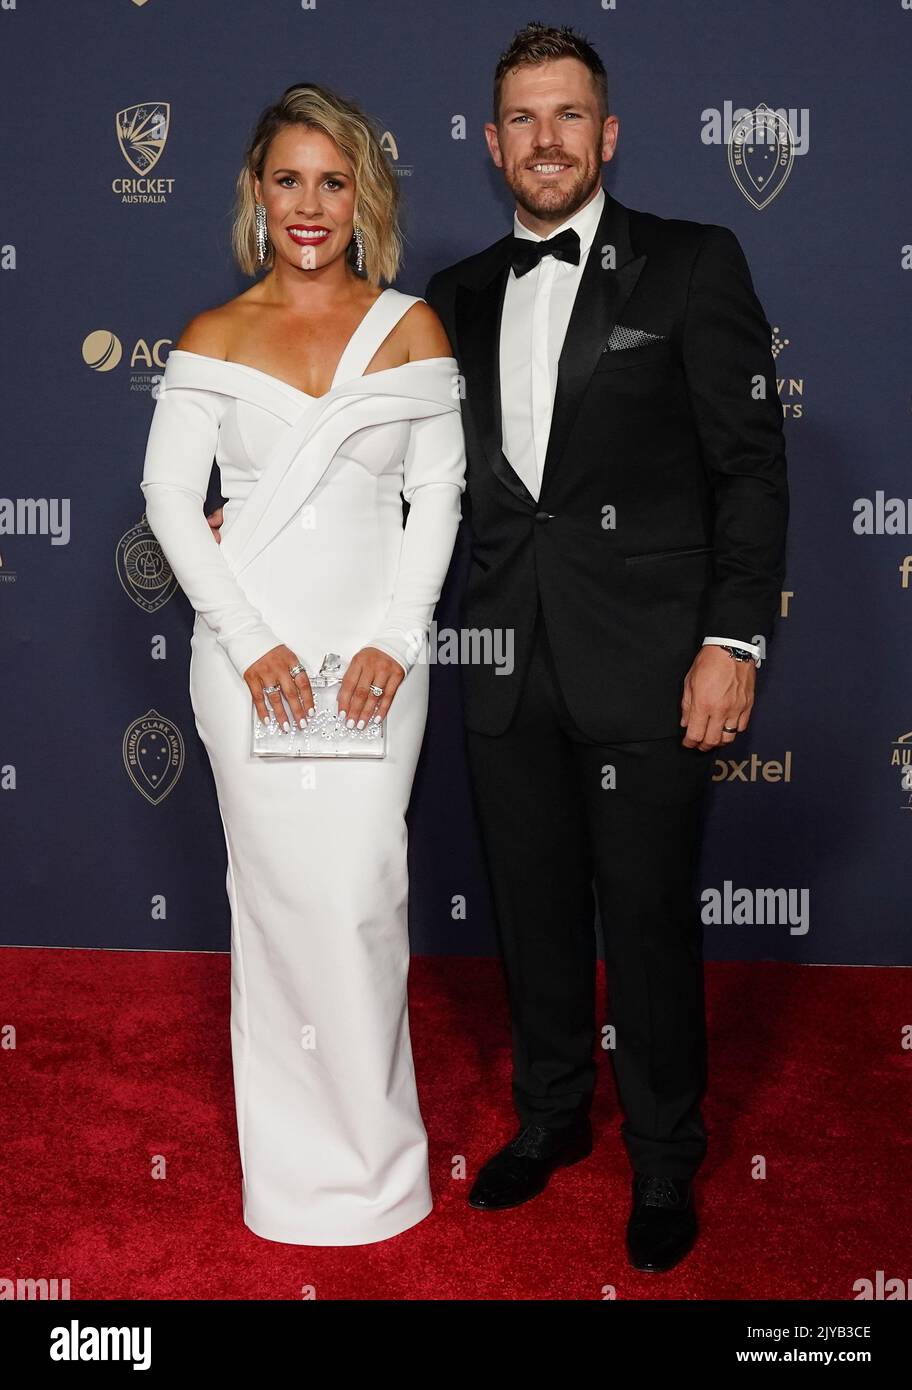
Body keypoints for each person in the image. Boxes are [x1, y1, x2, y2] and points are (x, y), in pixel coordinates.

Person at [423, 24, 788, 1273]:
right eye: (523, 119)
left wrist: (731, 639)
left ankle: (668, 1160)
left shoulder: (692, 264)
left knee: (645, 922)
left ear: (609, 133)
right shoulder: (454, 296)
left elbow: (749, 469)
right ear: (490, 142)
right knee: (531, 917)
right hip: (502, 658)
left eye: (569, 116)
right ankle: (551, 1118)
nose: (546, 141)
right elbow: (407, 485)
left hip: (651, 659)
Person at [140, 82, 466, 1246]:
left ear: (363, 193)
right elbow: (173, 504)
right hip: (249, 658)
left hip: (380, 657)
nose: (311, 205)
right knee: (278, 905)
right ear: (257, 193)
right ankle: (291, 1184)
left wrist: (392, 637)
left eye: (334, 180)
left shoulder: (413, 327)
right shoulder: (213, 336)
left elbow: (438, 498)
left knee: (362, 897)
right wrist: (252, 641)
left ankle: (381, 1168)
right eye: (289, 180)